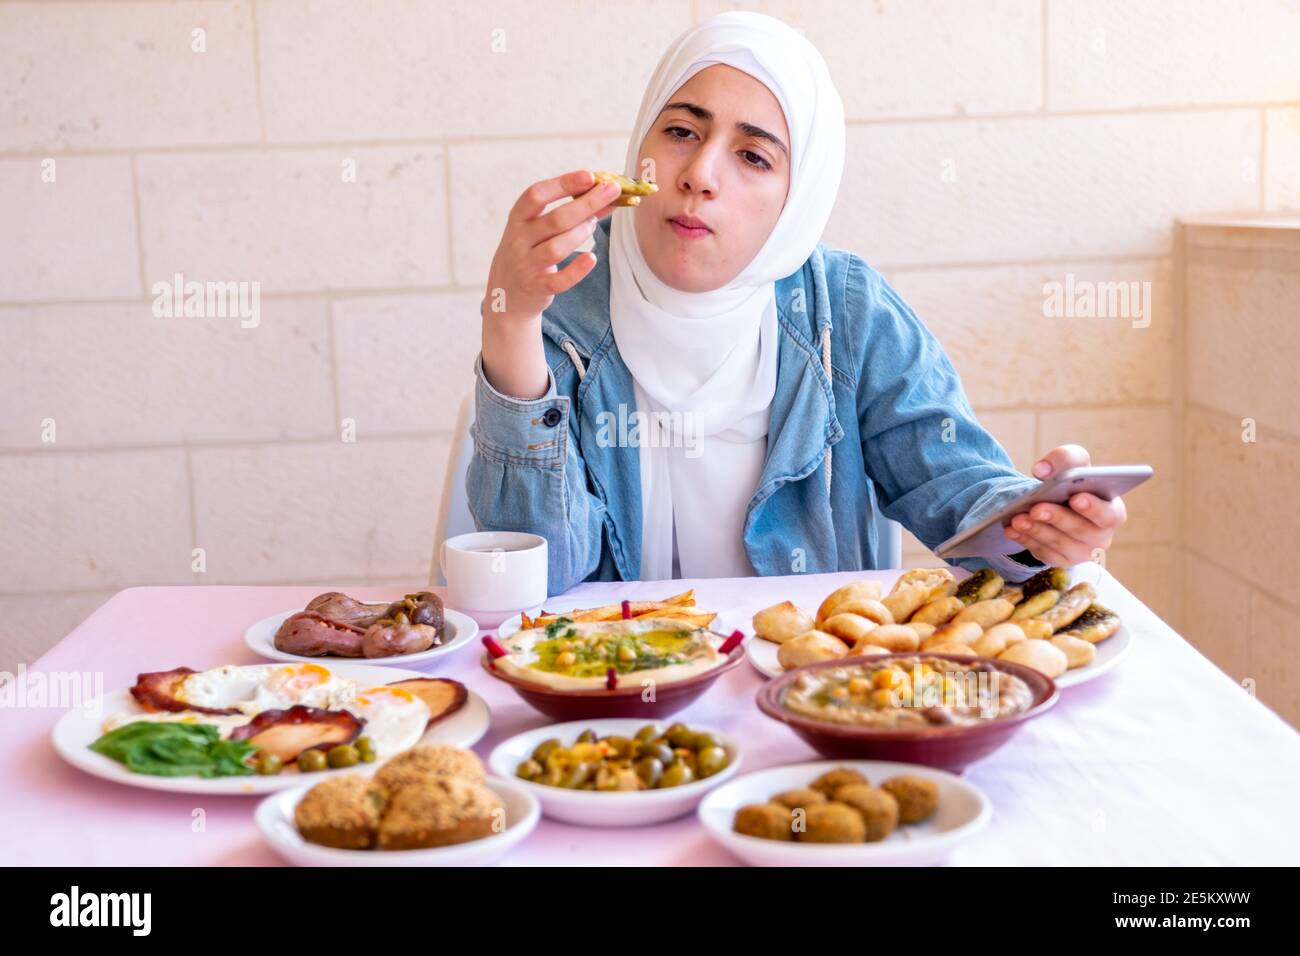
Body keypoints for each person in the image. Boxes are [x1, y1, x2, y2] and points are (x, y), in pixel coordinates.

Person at [469, 11, 1127, 593]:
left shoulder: (846, 310)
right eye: (680, 132)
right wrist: (510, 321)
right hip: (614, 704)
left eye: (753, 155)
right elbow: (539, 576)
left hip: (809, 695)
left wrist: (1044, 521)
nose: (699, 175)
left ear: (798, 198)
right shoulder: (565, 288)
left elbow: (964, 499)